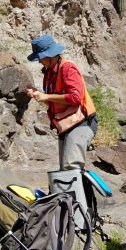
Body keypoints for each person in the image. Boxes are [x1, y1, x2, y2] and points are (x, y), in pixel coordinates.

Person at [25, 35, 97, 170]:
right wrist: (39, 95)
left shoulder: (67, 68)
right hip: (66, 125)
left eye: (40, 58)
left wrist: (46, 96)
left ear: (50, 55)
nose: (39, 62)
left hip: (82, 122)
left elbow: (75, 97)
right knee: (65, 170)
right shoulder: (50, 72)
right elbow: (55, 103)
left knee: (70, 168)